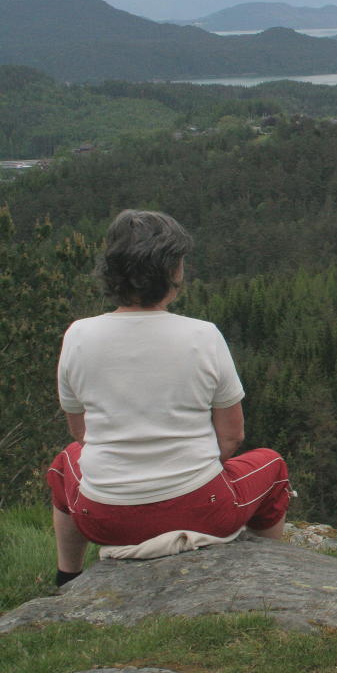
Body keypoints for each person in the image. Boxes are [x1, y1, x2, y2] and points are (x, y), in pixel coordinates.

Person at [47, 209, 290, 586]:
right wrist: (188, 471)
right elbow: (231, 436)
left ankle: (68, 577)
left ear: (112, 270)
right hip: (202, 509)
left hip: (104, 519)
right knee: (271, 466)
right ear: (172, 271)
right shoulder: (203, 335)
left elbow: (82, 433)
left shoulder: (78, 335)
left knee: (65, 463)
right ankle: (272, 573)